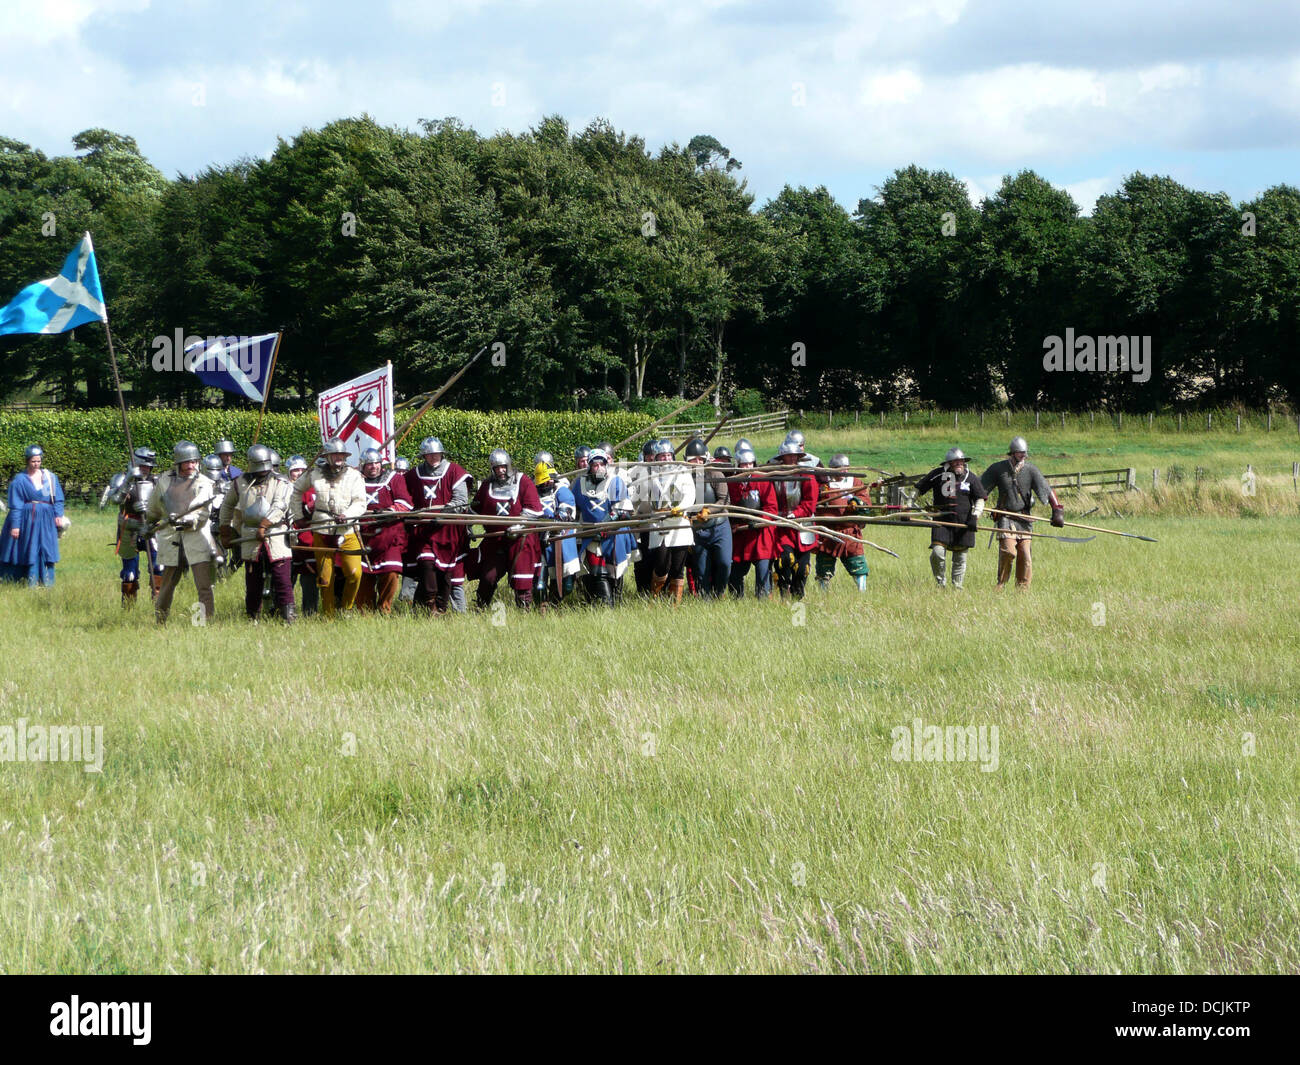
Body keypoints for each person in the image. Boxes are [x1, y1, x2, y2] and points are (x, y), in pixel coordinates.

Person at [219, 444, 296, 622]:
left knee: (282, 579)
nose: (262, 472)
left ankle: (288, 617)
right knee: (253, 582)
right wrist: (225, 530)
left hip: (275, 534)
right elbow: (227, 505)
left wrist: (264, 525)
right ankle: (252, 617)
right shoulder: (240, 483)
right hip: (250, 536)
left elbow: (280, 505)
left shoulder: (280, 482)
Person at [292, 437, 366, 617]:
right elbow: (296, 491)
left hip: (347, 530)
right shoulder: (314, 474)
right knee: (325, 578)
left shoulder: (354, 475)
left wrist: (347, 515)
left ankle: (347, 609)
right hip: (322, 528)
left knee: (354, 573)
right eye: (335, 454)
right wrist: (299, 516)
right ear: (327, 456)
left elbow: (360, 502)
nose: (338, 457)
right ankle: (329, 615)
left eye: (341, 454)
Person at [147, 441, 219, 622]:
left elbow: (202, 510)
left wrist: (190, 520)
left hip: (196, 537)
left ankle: (202, 621)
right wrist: (148, 524)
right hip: (171, 537)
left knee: (203, 585)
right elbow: (154, 508)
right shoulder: (165, 481)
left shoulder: (204, 483)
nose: (191, 465)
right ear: (178, 462)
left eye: (194, 461)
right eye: (187, 462)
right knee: (167, 585)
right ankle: (160, 620)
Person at [980, 436, 1065, 589]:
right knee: (1008, 551)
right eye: (1019, 453)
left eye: (1024, 453)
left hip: (1024, 518)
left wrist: (1057, 509)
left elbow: (1046, 489)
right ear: (1012, 453)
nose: (1022, 456)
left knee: (1025, 555)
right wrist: (975, 506)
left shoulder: (1031, 470)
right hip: (1005, 516)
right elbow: (981, 489)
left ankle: (1022, 589)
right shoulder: (998, 469)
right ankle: (1001, 584)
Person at [403, 437, 473, 614]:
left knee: (445, 571)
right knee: (426, 563)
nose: (433, 457)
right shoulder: (414, 474)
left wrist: (442, 515)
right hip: (424, 529)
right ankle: (430, 603)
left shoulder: (454, 471)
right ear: (424, 456)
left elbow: (460, 501)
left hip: (449, 529)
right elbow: (402, 495)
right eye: (429, 454)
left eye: (436, 454)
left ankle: (441, 607)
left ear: (441, 454)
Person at [470, 449, 544, 609]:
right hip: (495, 540)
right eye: (497, 468)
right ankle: (480, 608)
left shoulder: (523, 481)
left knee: (521, 578)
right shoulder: (487, 485)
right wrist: (468, 526)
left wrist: (518, 526)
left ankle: (524, 611)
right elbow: (474, 509)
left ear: (509, 465)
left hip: (520, 540)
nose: (501, 471)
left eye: (503, 467)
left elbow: (534, 509)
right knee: (488, 578)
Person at [909, 447, 987, 589]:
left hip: (964, 522)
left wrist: (975, 516)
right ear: (949, 463)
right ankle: (941, 583)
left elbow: (980, 498)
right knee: (937, 553)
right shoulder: (937, 475)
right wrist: (908, 507)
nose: (959, 464)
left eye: (961, 461)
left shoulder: (971, 477)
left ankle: (957, 587)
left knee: (960, 558)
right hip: (941, 521)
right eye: (956, 461)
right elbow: (919, 488)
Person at [571, 449, 637, 607]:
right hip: (589, 536)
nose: (599, 467)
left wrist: (606, 524)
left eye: (602, 464)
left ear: (607, 465)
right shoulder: (579, 483)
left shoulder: (615, 481)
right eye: (595, 465)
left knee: (614, 571)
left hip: (613, 535)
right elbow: (574, 508)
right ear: (590, 466)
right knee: (596, 571)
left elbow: (623, 510)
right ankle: (606, 605)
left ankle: (614, 601)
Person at [1, 445, 69, 587]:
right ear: (27, 461)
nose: (36, 464)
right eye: (33, 461)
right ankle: (28, 581)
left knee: (46, 548)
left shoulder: (50, 478)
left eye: (38, 461)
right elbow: (15, 505)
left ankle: (47, 582)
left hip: (46, 519)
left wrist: (58, 515)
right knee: (29, 548)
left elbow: (58, 498)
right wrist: (15, 526)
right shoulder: (20, 480)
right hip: (28, 520)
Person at [357, 447, 413, 615]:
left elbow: (406, 504)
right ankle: (365, 613)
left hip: (389, 535)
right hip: (362, 535)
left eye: (376, 463)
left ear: (381, 464)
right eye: (369, 464)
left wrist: (390, 511)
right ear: (363, 466)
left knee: (391, 571)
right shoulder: (354, 480)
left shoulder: (393, 479)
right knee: (363, 577)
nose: (373, 466)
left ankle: (384, 609)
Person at [644, 437, 694, 604]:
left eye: (668, 455)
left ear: (673, 456)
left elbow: (690, 494)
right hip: (659, 524)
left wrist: (681, 508)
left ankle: (674, 605)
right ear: (656, 458)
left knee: (678, 567)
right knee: (661, 565)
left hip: (679, 524)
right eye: (662, 456)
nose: (665, 459)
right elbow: (643, 499)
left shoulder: (682, 472)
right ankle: (655, 598)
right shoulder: (649, 475)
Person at [110, 447, 162, 605]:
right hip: (129, 529)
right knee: (130, 574)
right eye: (144, 465)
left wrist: (151, 509)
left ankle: (159, 606)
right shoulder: (122, 478)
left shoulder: (156, 480)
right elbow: (115, 500)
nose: (147, 468)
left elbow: (166, 504)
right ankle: (128, 608)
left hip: (151, 528)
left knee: (159, 568)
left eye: (149, 466)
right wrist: (128, 481)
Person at [771, 440, 819, 600]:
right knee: (784, 560)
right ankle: (783, 593)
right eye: (788, 456)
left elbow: (810, 502)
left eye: (794, 456)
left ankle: (798, 597)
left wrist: (797, 513)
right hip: (781, 526)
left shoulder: (806, 475)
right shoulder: (773, 474)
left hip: (802, 524)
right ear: (782, 457)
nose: (791, 459)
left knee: (802, 568)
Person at [814, 453, 869, 592]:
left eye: (846, 468)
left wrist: (858, 504)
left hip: (850, 532)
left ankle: (862, 592)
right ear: (832, 468)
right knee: (823, 568)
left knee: (858, 564)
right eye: (840, 468)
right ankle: (823, 594)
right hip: (827, 532)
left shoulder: (855, 482)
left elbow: (865, 500)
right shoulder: (824, 484)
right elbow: (815, 503)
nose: (843, 471)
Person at [727, 446, 777, 599]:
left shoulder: (762, 481)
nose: (747, 467)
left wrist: (760, 521)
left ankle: (763, 601)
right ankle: (737, 600)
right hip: (741, 535)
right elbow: (728, 508)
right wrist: (733, 524)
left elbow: (771, 508)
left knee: (763, 571)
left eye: (750, 464)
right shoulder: (732, 484)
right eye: (744, 464)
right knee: (735, 573)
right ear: (738, 465)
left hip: (761, 533)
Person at [685, 437, 731, 598]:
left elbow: (724, 499)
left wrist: (709, 510)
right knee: (702, 569)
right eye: (694, 459)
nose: (697, 462)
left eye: (700, 459)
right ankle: (705, 600)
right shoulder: (684, 477)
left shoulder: (715, 473)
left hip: (719, 526)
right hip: (698, 530)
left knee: (725, 563)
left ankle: (719, 593)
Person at [534, 460, 578, 605]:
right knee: (539, 585)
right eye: (544, 482)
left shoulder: (562, 490)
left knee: (566, 585)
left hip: (562, 539)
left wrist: (555, 523)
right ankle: (542, 608)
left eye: (549, 480)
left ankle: (555, 603)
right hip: (541, 542)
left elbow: (567, 511)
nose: (547, 484)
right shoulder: (534, 493)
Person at [285, 455, 319, 615]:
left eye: (301, 470)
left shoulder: (313, 489)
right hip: (285, 538)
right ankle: (283, 609)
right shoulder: (283, 488)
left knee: (309, 574)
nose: (298, 473)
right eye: (294, 470)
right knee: (285, 577)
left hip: (307, 537)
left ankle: (310, 611)